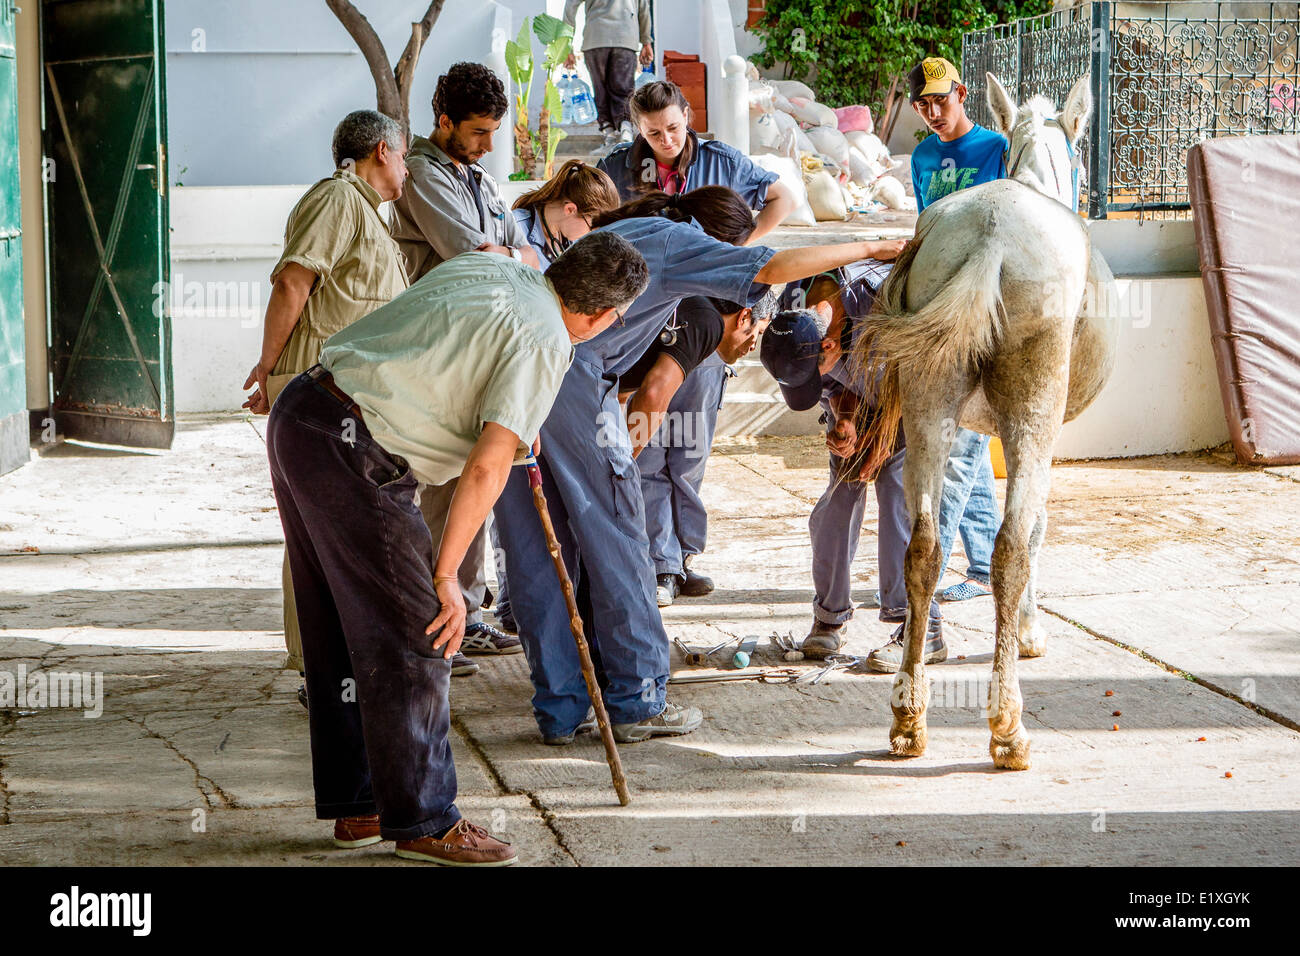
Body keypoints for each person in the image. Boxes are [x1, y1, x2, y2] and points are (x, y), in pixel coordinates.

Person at [266, 233, 649, 866]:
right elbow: (487, 466)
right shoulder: (547, 339)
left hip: (305, 414)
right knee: (425, 630)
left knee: (341, 620)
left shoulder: (495, 269)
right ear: (607, 316)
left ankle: (363, 803)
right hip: (354, 447)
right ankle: (424, 820)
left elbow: (468, 348)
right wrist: (448, 574)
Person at [492, 184, 905, 747]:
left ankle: (561, 708)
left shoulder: (636, 234)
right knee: (618, 535)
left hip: (517, 366)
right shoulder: (674, 241)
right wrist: (867, 247)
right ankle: (636, 699)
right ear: (717, 241)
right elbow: (771, 270)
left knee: (540, 541)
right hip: (569, 376)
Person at [600, 80, 797, 604]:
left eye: (672, 127)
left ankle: (685, 555)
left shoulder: (724, 162)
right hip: (647, 322)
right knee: (648, 440)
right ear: (636, 129)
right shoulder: (619, 168)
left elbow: (783, 196)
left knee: (689, 445)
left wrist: (740, 251)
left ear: (688, 115)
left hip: (708, 314)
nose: (664, 139)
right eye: (652, 132)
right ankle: (657, 559)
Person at [241, 109, 409, 706]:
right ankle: (321, 669)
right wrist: (269, 367)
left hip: (350, 387)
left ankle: (342, 664)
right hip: (322, 382)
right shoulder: (339, 198)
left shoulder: (366, 210)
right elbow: (293, 282)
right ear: (383, 149)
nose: (406, 169)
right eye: (405, 156)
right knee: (319, 526)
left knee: (346, 524)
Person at [389, 61, 536, 665]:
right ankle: (432, 618)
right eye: (478, 132)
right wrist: (510, 252)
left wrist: (511, 251)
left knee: (474, 483)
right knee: (444, 488)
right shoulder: (424, 173)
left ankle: (466, 614)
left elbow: (514, 245)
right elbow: (478, 255)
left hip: (479, 344)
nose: (489, 145)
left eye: (493, 131)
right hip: (442, 348)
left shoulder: (470, 174)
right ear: (444, 121)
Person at [622, 288, 777, 604]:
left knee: (688, 466)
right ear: (744, 316)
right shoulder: (709, 312)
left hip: (707, 367)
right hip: (673, 352)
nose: (754, 345)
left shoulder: (726, 323)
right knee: (650, 462)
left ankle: (681, 559)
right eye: (756, 333)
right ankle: (662, 564)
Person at [563, 0, 654, 148]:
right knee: (624, 90)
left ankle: (608, 130)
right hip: (625, 38)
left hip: (595, 39)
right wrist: (646, 42)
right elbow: (643, 9)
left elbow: (570, 6)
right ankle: (626, 129)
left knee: (600, 89)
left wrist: (566, 44)